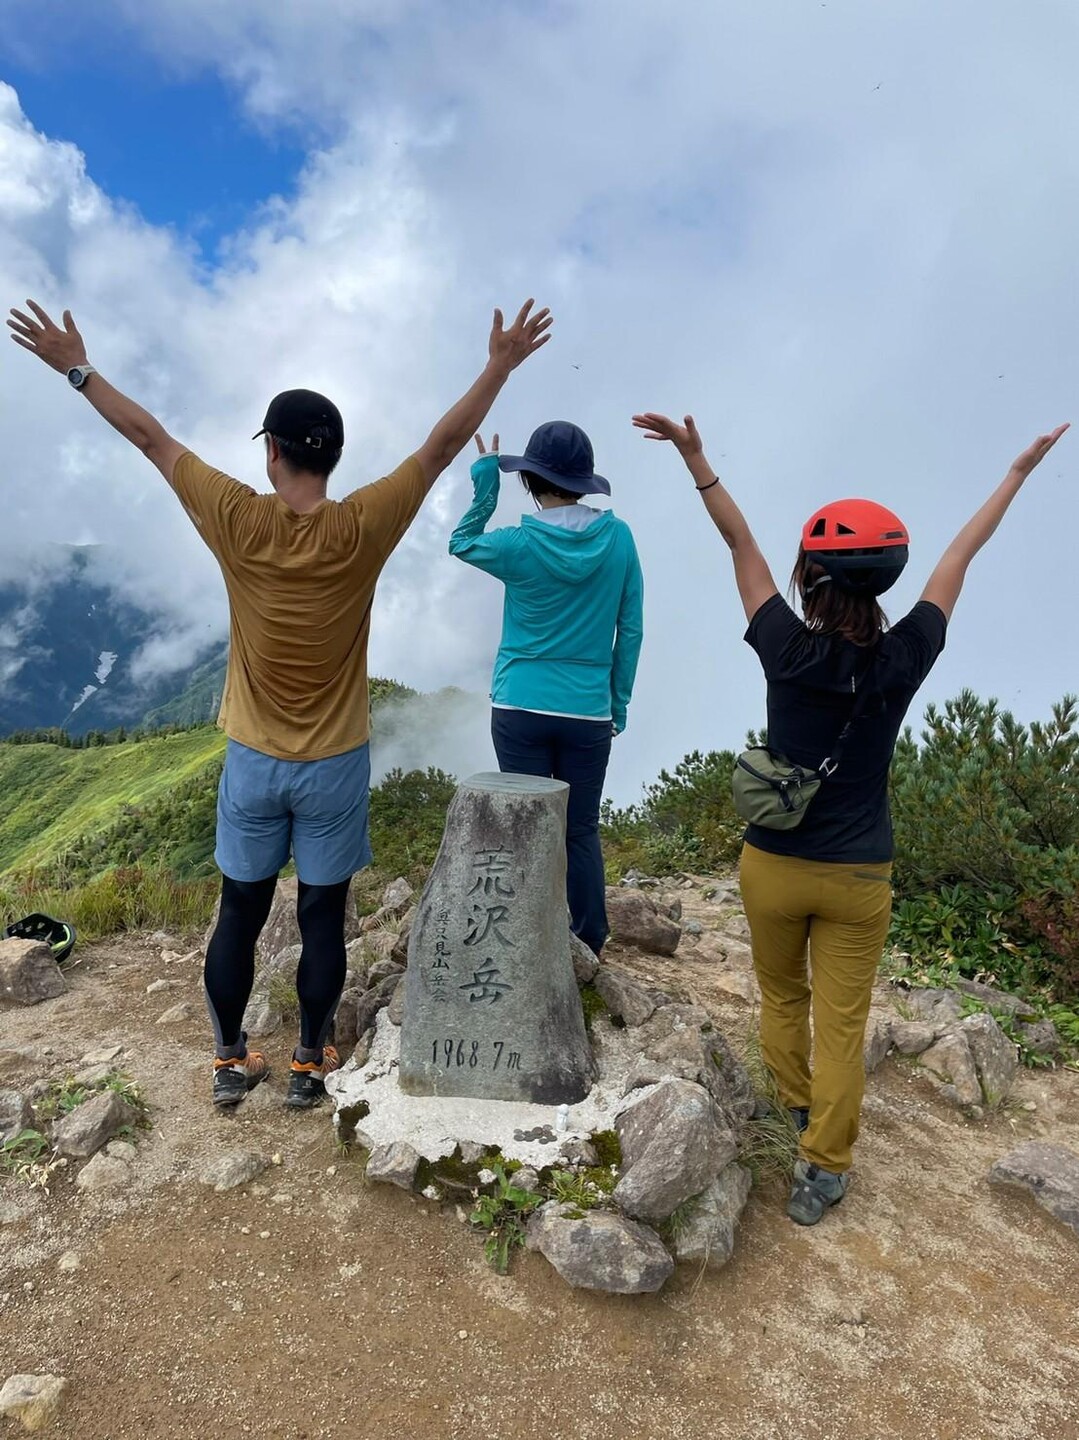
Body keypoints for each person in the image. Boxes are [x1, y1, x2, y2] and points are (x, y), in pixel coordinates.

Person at [8, 296, 552, 1110]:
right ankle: (306, 1063)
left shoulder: (235, 517)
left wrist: (76, 369)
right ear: (329, 459)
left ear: (272, 455)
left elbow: (151, 439)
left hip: (254, 759)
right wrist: (500, 366)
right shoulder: (364, 524)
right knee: (322, 917)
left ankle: (229, 1063)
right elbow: (441, 448)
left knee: (239, 912)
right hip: (333, 761)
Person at [633, 408, 1068, 1224]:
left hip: (772, 865)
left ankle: (795, 1107)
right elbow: (959, 555)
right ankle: (823, 1166)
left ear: (808, 577)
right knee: (843, 1022)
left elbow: (739, 545)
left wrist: (696, 459)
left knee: (779, 997)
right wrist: (1014, 475)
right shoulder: (906, 656)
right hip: (860, 873)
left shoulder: (782, 647)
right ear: (885, 581)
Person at [449, 421, 643, 955]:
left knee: (529, 826)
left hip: (519, 704)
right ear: (584, 481)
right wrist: (615, 705)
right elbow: (631, 629)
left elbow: (461, 542)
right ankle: (589, 940)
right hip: (587, 710)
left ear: (529, 479)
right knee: (579, 828)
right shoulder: (619, 539)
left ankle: (529, 937)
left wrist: (486, 483)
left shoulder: (517, 543)